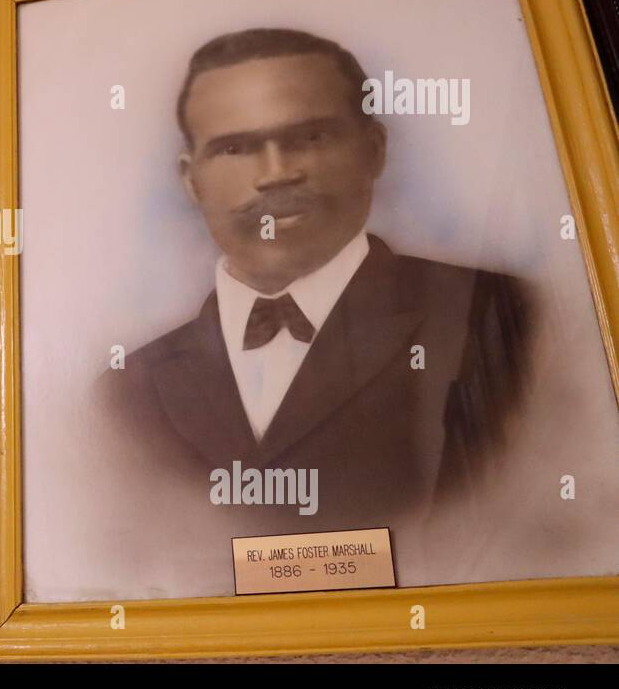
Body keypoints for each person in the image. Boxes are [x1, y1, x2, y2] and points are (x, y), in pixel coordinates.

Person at [104, 28, 534, 530]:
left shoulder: (499, 314)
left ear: (373, 150)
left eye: (310, 137)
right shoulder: (124, 390)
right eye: (235, 148)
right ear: (190, 180)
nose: (276, 174)